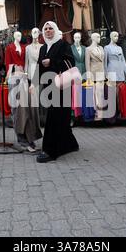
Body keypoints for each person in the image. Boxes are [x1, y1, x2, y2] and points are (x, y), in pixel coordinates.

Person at [37, 21, 79, 163]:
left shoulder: (63, 45)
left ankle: (50, 150)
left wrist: (52, 62)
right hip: (49, 87)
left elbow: (70, 63)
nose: (48, 31)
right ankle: (70, 145)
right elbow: (39, 67)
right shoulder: (43, 48)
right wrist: (33, 84)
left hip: (62, 87)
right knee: (62, 117)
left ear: (55, 30)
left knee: (54, 118)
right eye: (46, 29)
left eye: (50, 29)